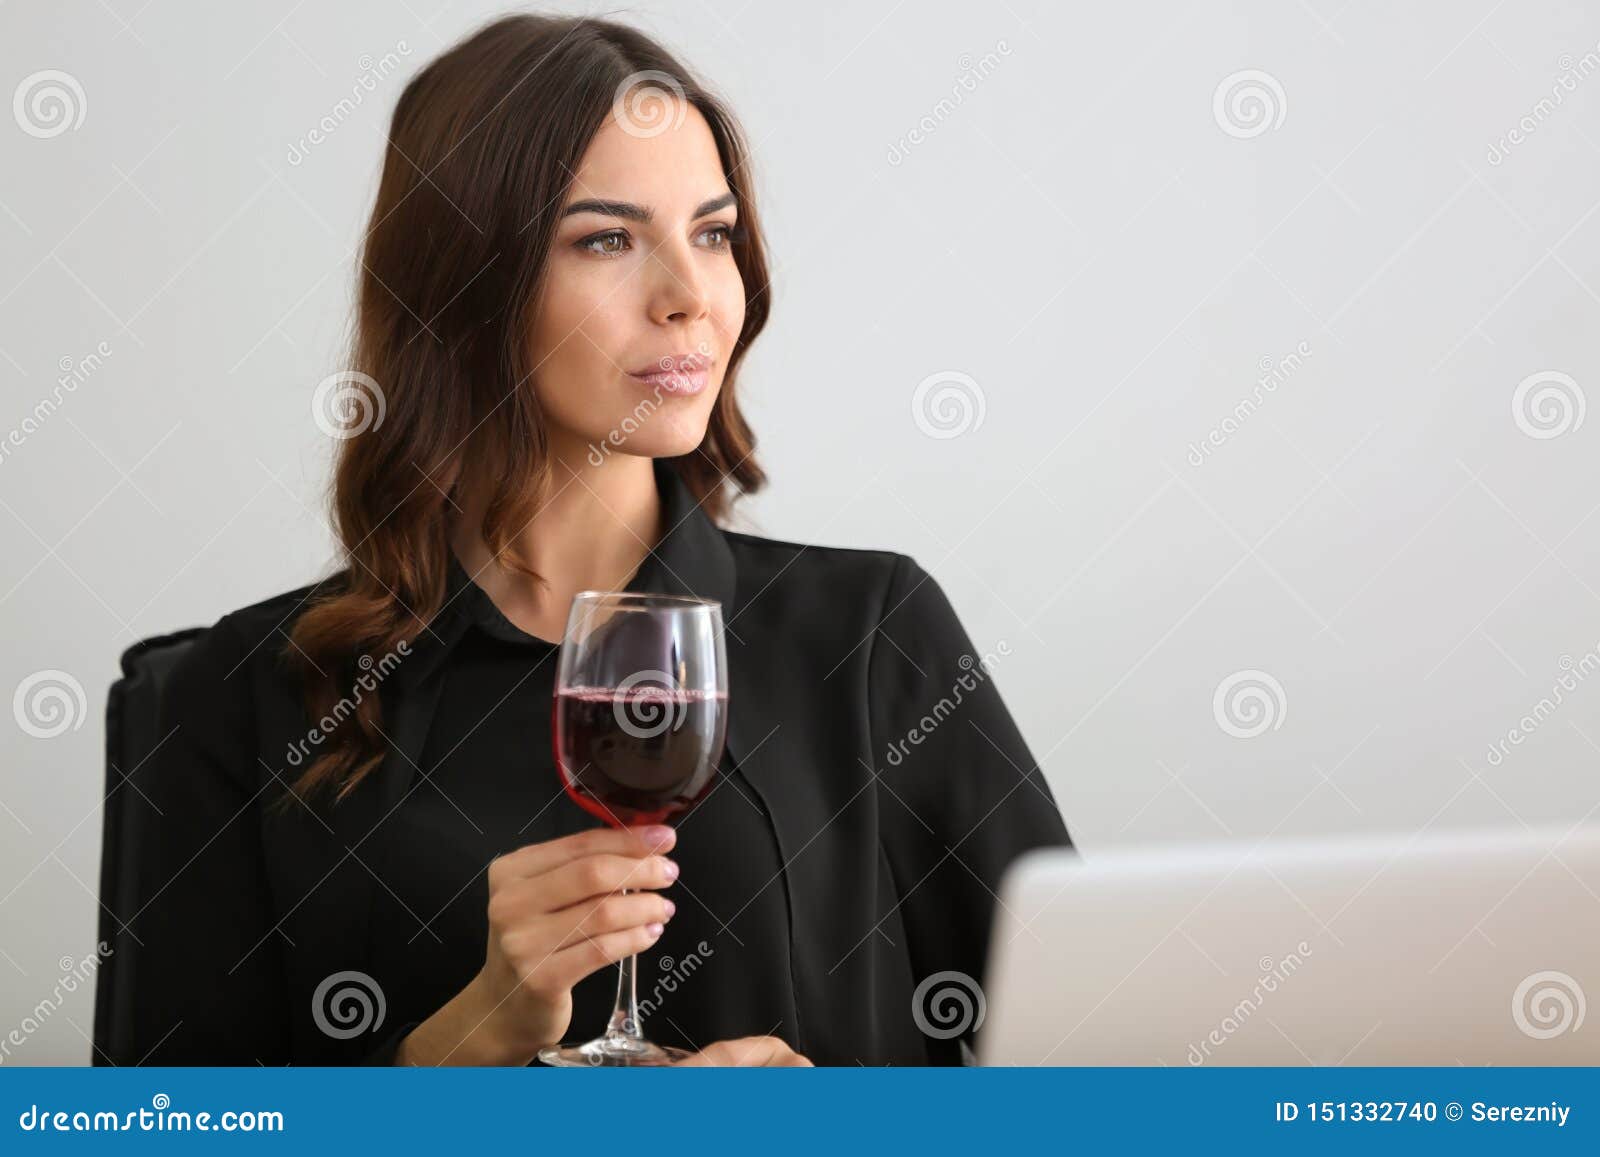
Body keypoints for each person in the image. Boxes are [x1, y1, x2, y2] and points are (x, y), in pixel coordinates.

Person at [127, 12, 1072, 1067]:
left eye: (712, 233)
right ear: (464, 287)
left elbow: (1103, 1081)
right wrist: (457, 1050)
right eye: (606, 239)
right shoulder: (241, 690)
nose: (690, 298)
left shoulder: (870, 632)